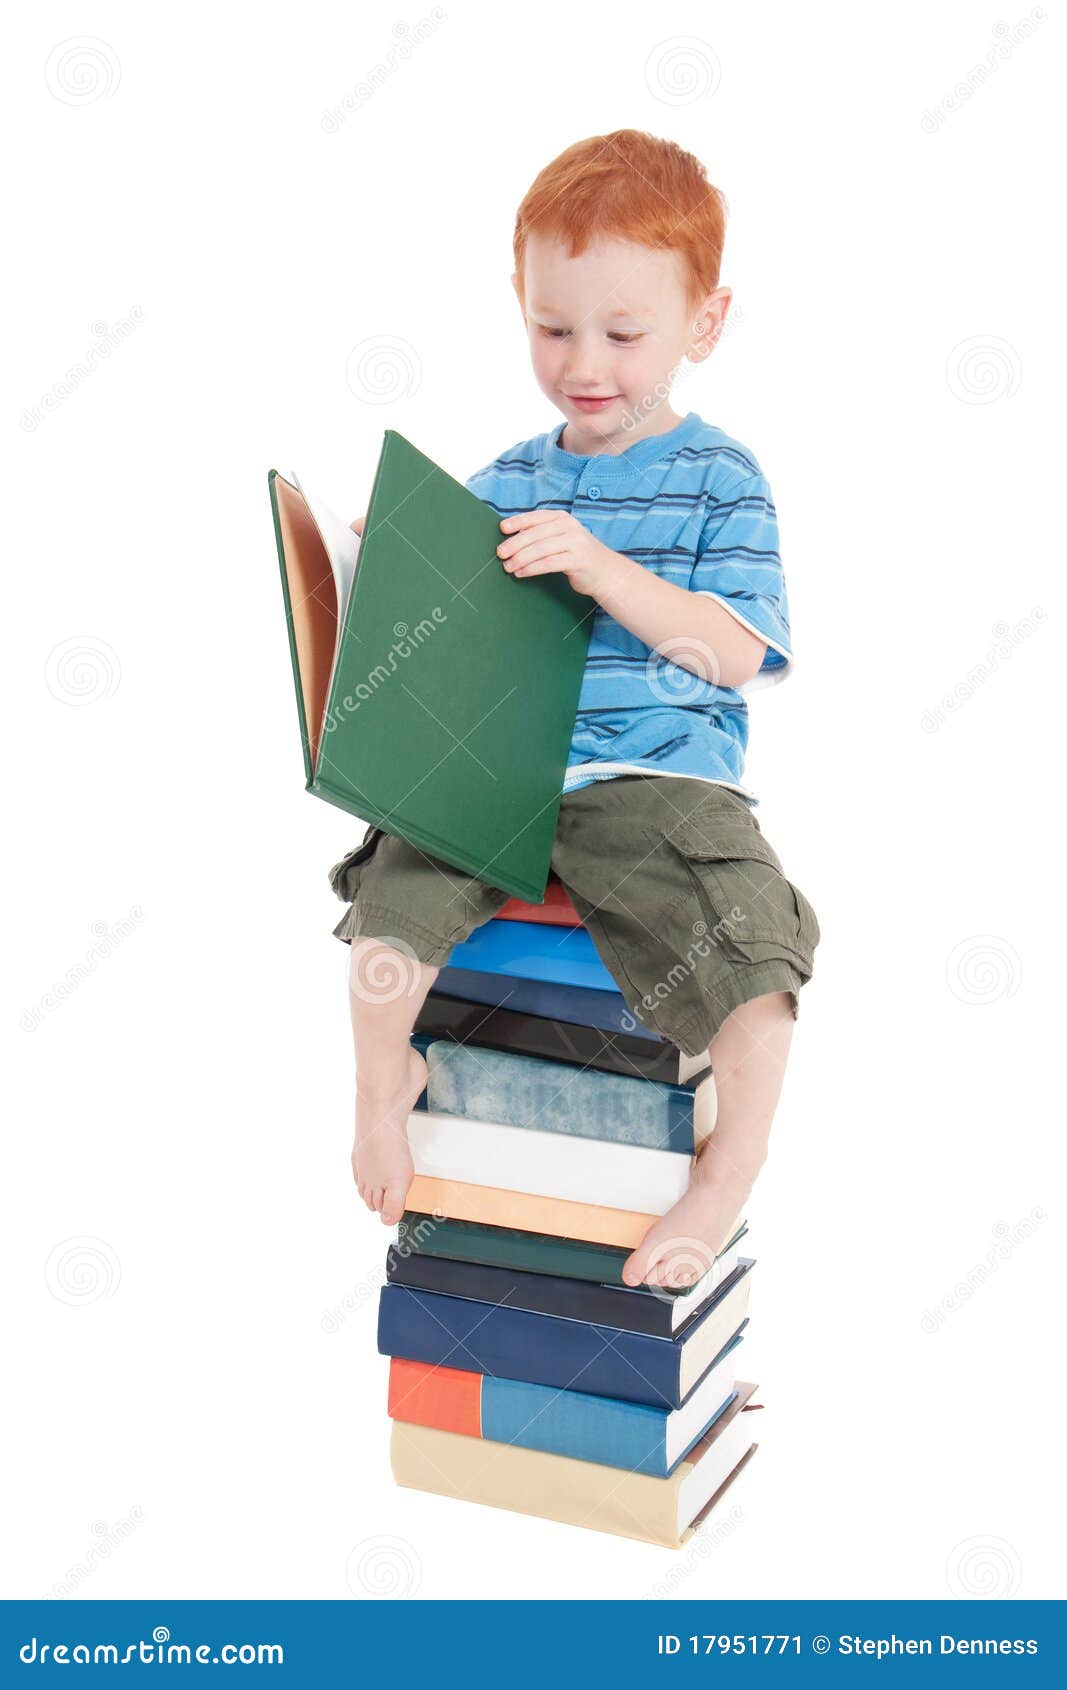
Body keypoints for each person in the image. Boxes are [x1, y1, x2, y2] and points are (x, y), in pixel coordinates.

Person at [331, 128, 819, 1289]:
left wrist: (602, 569)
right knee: (381, 935)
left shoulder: (718, 476)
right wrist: (391, 567)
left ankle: (728, 1162)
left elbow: (734, 651)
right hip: (501, 775)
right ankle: (378, 1093)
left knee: (756, 974)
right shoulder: (503, 477)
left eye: (622, 333)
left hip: (653, 784)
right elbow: (439, 650)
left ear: (702, 325)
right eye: (552, 329)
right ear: (519, 305)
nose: (582, 363)